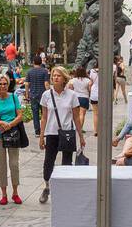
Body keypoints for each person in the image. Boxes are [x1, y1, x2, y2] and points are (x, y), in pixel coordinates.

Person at [38, 65, 78, 204]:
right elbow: (44, 117)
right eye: (54, 75)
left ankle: (64, 188)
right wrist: (41, 136)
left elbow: (76, 117)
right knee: (49, 161)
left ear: (64, 78)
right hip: (51, 132)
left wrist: (81, 136)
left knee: (67, 161)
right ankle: (47, 186)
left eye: (58, 75)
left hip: (67, 132)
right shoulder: (46, 95)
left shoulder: (72, 95)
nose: (55, 77)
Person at [0, 73, 23, 206]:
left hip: (13, 134)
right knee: (1, 165)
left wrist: (10, 124)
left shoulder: (14, 97)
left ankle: (15, 192)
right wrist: (1, 123)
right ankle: (3, 194)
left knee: (14, 164)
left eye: (5, 84)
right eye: (0, 84)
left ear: (8, 85)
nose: (2, 86)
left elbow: (20, 115)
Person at [25, 54, 50, 137]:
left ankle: (37, 132)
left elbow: (27, 84)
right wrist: (49, 93)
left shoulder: (29, 72)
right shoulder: (44, 71)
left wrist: (27, 94)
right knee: (44, 114)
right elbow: (46, 83)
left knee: (35, 114)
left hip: (33, 95)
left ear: (33, 62)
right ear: (41, 62)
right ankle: (45, 130)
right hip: (43, 95)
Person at [69, 65, 91, 134]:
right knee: (82, 114)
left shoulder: (72, 80)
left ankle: (74, 127)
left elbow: (70, 88)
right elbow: (89, 89)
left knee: (75, 115)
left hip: (75, 98)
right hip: (84, 98)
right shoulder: (88, 80)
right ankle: (80, 129)